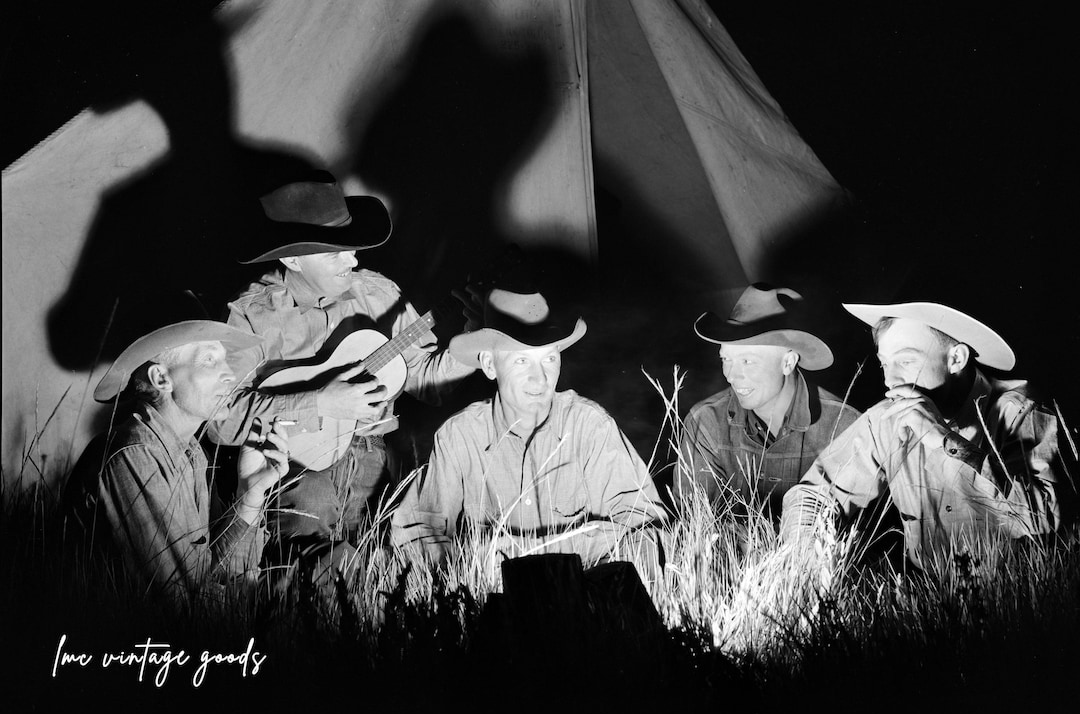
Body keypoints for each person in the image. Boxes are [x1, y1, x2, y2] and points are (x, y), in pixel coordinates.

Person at [206, 169, 479, 562]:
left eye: (350, 247)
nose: (353, 258)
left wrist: (477, 340)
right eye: (335, 251)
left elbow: (426, 379)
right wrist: (320, 402)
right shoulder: (251, 315)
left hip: (373, 463)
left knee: (375, 579)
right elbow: (221, 419)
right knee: (305, 585)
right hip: (294, 471)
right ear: (294, 259)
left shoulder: (376, 293)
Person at [390, 281, 670, 577]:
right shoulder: (460, 436)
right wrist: (469, 567)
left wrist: (513, 557)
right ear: (489, 364)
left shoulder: (590, 426)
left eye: (549, 358)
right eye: (522, 360)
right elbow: (414, 533)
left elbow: (647, 531)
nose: (540, 379)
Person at [780, 300, 1077, 568]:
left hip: (1020, 610)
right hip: (932, 607)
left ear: (956, 359)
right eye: (885, 363)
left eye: (906, 361)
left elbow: (1042, 517)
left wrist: (941, 440)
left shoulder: (1022, 411)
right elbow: (813, 495)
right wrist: (805, 559)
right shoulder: (889, 418)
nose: (889, 380)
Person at [66, 319, 289, 603]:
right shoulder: (135, 454)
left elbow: (209, 574)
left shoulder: (192, 452)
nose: (231, 375)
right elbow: (181, 604)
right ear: (161, 378)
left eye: (225, 361)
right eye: (209, 360)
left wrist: (249, 495)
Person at [676, 284, 859, 522]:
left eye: (747, 361)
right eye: (726, 359)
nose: (731, 375)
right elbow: (698, 527)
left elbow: (858, 536)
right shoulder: (706, 422)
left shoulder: (845, 426)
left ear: (788, 362)